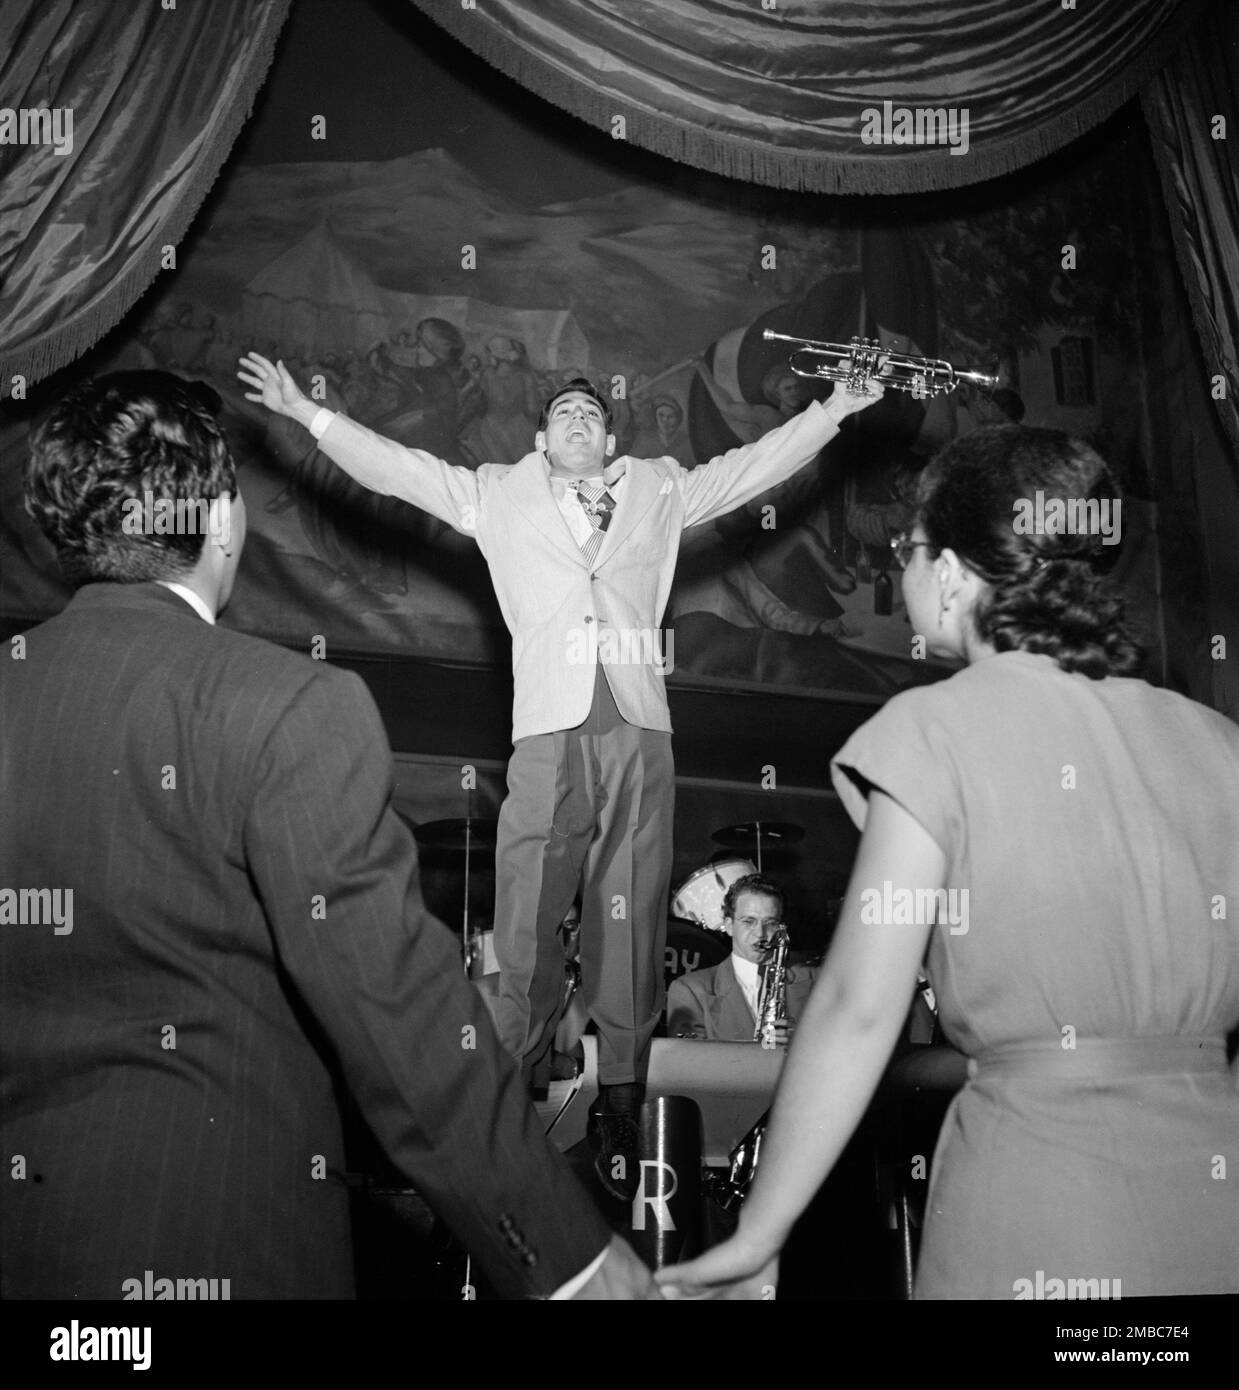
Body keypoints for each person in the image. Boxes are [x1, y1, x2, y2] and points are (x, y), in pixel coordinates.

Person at [0, 370, 653, 1301]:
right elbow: (404, 1029)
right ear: (223, 521)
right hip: (215, 1241)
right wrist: (578, 1263)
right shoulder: (288, 707)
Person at [237, 351, 885, 1200]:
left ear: (609, 435)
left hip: (636, 723)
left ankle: (620, 1090)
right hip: (546, 724)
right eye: (563, 414)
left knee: (632, 898)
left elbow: (749, 466)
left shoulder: (658, 486)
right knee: (527, 903)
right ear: (541, 437)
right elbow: (396, 472)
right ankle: (509, 1076)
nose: (578, 420)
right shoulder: (495, 491)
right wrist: (308, 415)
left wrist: (833, 408)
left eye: (591, 412)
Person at [658, 425, 1239, 1299]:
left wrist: (759, 1231)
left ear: (955, 573)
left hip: (1038, 1196)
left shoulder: (930, 731)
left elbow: (858, 1005)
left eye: (911, 547)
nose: (903, 565)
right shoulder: (1216, 742)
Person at [667, 874, 815, 1043]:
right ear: (729, 926)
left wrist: (803, 1041)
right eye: (748, 921)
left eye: (770, 923)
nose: (760, 934)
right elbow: (689, 1063)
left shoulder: (813, 980)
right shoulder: (690, 990)